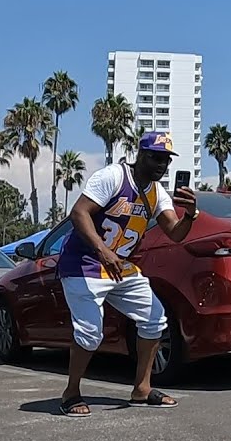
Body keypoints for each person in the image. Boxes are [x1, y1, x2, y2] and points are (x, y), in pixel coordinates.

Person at [56, 132, 198, 417]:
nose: (162, 165)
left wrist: (190, 215)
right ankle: (71, 393)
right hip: (84, 264)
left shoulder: (158, 193)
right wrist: (102, 250)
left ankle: (142, 389)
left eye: (167, 160)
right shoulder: (113, 176)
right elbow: (79, 213)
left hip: (119, 266)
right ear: (141, 155)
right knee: (89, 334)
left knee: (155, 319)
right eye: (156, 158)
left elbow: (175, 233)